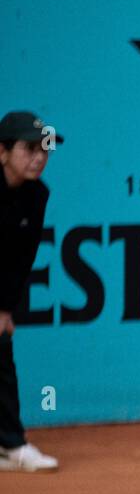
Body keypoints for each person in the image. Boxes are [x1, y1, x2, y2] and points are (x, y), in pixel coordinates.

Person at [1, 111, 60, 473]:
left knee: (1, 346)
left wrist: (5, 310)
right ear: (2, 152)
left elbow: (19, 260)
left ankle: (9, 445)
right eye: (29, 148)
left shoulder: (36, 195)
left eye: (45, 148)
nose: (40, 156)